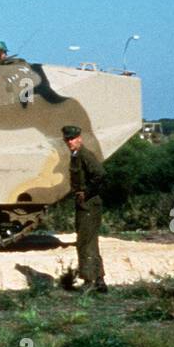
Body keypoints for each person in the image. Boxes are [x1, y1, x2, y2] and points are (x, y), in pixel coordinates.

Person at [63, 125, 106, 292]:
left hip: (89, 203)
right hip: (85, 203)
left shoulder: (84, 155)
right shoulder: (76, 155)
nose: (69, 142)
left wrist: (86, 193)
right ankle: (99, 280)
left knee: (84, 242)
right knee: (90, 242)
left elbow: (100, 174)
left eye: (72, 139)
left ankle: (89, 281)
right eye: (67, 139)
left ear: (79, 138)